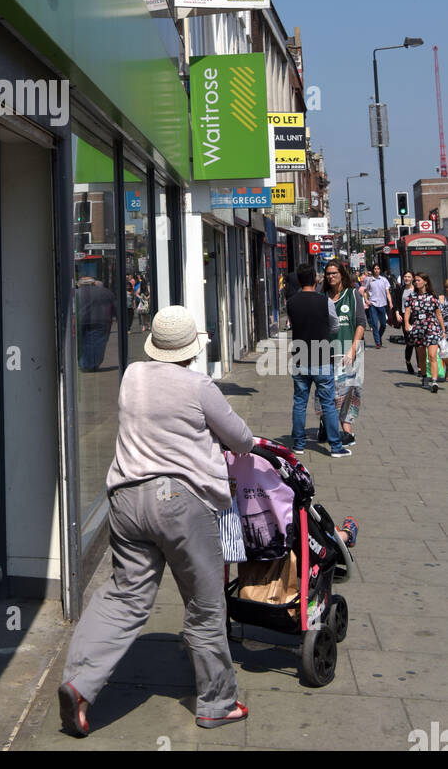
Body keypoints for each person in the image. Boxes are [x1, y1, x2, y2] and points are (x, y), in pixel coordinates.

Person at [58, 306, 254, 738]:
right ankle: (217, 703)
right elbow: (239, 438)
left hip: (126, 498)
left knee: (124, 598)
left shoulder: (132, 376)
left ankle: (80, 684)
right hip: (180, 501)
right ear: (193, 348)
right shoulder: (199, 386)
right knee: (205, 604)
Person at [286, 264, 350, 457]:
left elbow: (292, 323)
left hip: (300, 357)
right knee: (328, 403)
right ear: (315, 279)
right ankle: (336, 447)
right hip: (322, 356)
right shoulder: (325, 301)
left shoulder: (291, 302)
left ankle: (298, 444)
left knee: (299, 402)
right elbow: (335, 325)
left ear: (298, 280)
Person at [316, 262, 366, 445]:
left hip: (349, 351)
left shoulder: (352, 294)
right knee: (326, 391)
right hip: (326, 352)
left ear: (341, 274)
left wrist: (353, 348)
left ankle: (347, 430)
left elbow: (361, 322)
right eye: (328, 273)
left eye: (334, 273)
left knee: (351, 391)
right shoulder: (322, 297)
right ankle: (326, 424)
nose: (331, 276)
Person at [404, 273, 446, 393]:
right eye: (415, 281)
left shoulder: (433, 297)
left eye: (418, 280)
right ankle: (424, 376)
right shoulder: (412, 297)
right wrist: (407, 323)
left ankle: (434, 381)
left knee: (432, 355)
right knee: (421, 356)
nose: (416, 282)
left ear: (425, 282)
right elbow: (407, 311)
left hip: (432, 327)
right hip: (418, 328)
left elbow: (439, 314)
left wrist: (443, 330)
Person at [76, 275, 118, 371]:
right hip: (102, 321)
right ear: (93, 283)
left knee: (82, 344)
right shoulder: (106, 292)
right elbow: (115, 307)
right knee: (98, 343)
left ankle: (86, 364)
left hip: (81, 321)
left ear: (79, 284)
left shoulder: (76, 293)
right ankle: (92, 364)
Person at [390, 270, 416, 374]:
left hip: (416, 317)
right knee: (409, 342)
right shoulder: (400, 289)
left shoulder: (417, 290)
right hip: (405, 317)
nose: (407, 279)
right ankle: (408, 361)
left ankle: (420, 367)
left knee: (418, 342)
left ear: (413, 278)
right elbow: (395, 302)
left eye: (409, 277)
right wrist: (397, 313)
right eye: (405, 276)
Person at [365, 264, 391, 348]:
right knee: (375, 324)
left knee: (383, 324)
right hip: (373, 304)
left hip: (382, 304)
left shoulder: (384, 280)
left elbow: (387, 292)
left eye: (378, 268)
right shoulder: (369, 280)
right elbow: (365, 292)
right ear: (373, 270)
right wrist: (366, 300)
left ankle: (379, 337)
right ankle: (377, 343)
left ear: (380, 270)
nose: (376, 270)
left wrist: (390, 302)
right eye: (375, 269)